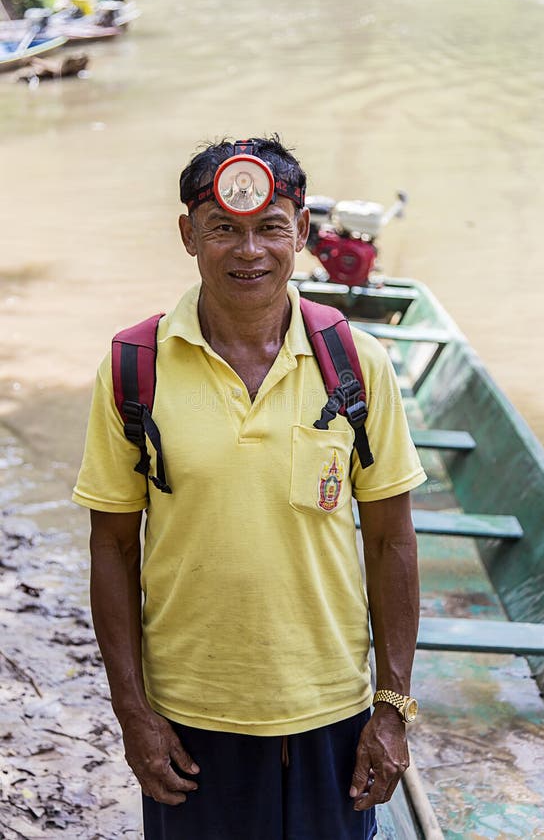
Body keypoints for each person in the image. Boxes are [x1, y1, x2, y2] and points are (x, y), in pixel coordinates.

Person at [72, 135, 426, 840]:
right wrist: (133, 713)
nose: (250, 251)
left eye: (270, 228)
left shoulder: (357, 364)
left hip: (330, 711)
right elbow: (112, 547)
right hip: (190, 718)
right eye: (223, 230)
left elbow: (390, 540)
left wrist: (391, 708)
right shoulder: (133, 367)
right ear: (187, 235)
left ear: (300, 231)